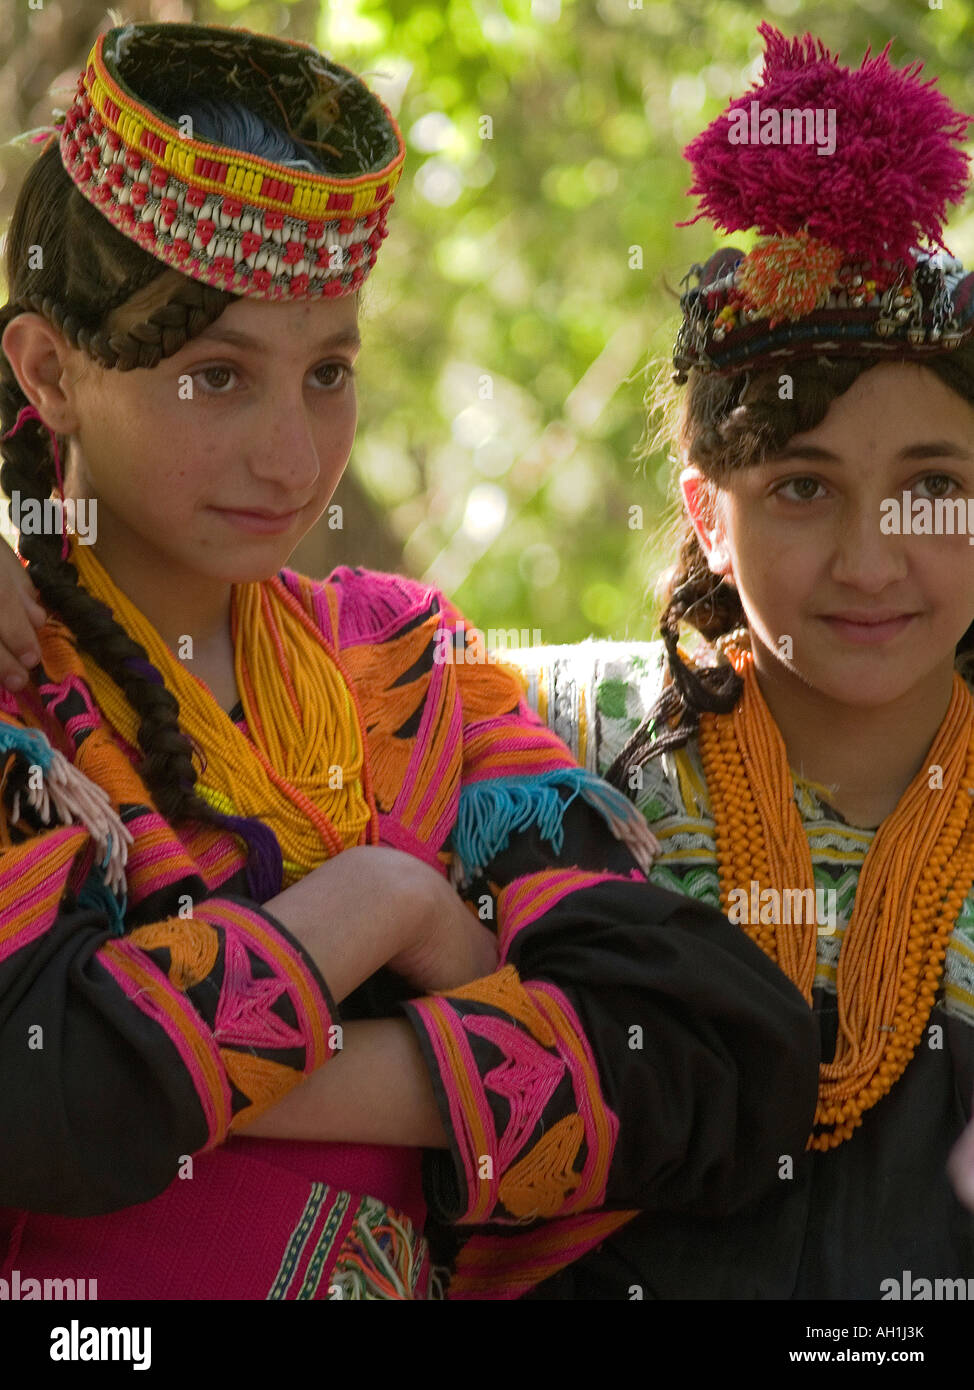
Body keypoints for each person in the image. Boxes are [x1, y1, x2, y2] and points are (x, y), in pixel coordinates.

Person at [0, 21, 818, 1300]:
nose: (291, 455)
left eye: (327, 371)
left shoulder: (399, 661)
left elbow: (709, 1062)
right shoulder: (21, 704)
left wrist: (226, 1069)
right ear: (48, 370)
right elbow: (46, 1095)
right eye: (216, 377)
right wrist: (389, 905)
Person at [502, 23, 974, 1297]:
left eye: (932, 487)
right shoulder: (546, 747)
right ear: (709, 512)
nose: (870, 561)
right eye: (803, 489)